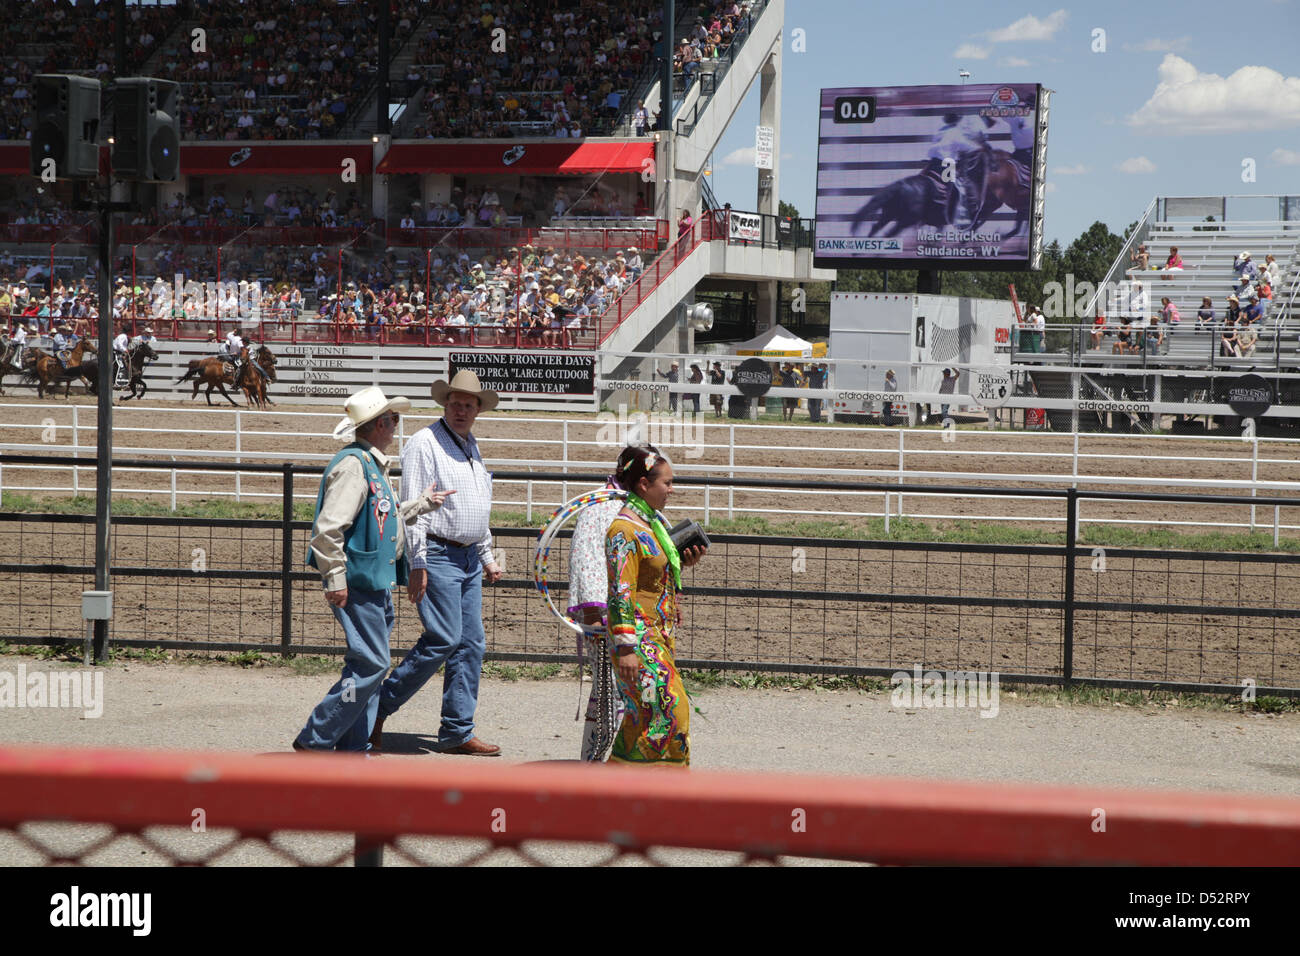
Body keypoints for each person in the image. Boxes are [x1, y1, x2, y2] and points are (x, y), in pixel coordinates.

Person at [294, 387, 452, 752]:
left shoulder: (367, 464)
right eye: (393, 420)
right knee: (372, 665)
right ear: (381, 423)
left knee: (368, 666)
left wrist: (423, 504)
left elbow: (385, 514)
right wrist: (334, 578)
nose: (396, 426)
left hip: (372, 583)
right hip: (358, 583)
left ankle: (353, 745)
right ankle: (316, 737)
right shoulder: (354, 466)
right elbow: (329, 528)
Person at [369, 370, 503, 756]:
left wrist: (486, 557)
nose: (461, 410)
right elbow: (415, 505)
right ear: (445, 405)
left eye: (468, 404)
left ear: (477, 410)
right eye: (455, 403)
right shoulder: (425, 443)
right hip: (439, 552)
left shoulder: (469, 446)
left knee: (471, 643)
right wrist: (419, 561)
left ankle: (457, 730)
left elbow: (479, 507)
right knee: (445, 638)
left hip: (466, 557)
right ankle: (378, 707)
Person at [605, 443, 707, 766]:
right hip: (638, 640)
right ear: (644, 485)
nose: (672, 490)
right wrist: (626, 649)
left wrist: (682, 566)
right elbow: (620, 591)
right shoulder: (624, 531)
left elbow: (651, 575)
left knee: (643, 719)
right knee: (671, 711)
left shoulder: (651, 525)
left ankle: (620, 793)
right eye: (667, 483)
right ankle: (664, 791)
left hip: (656, 639)